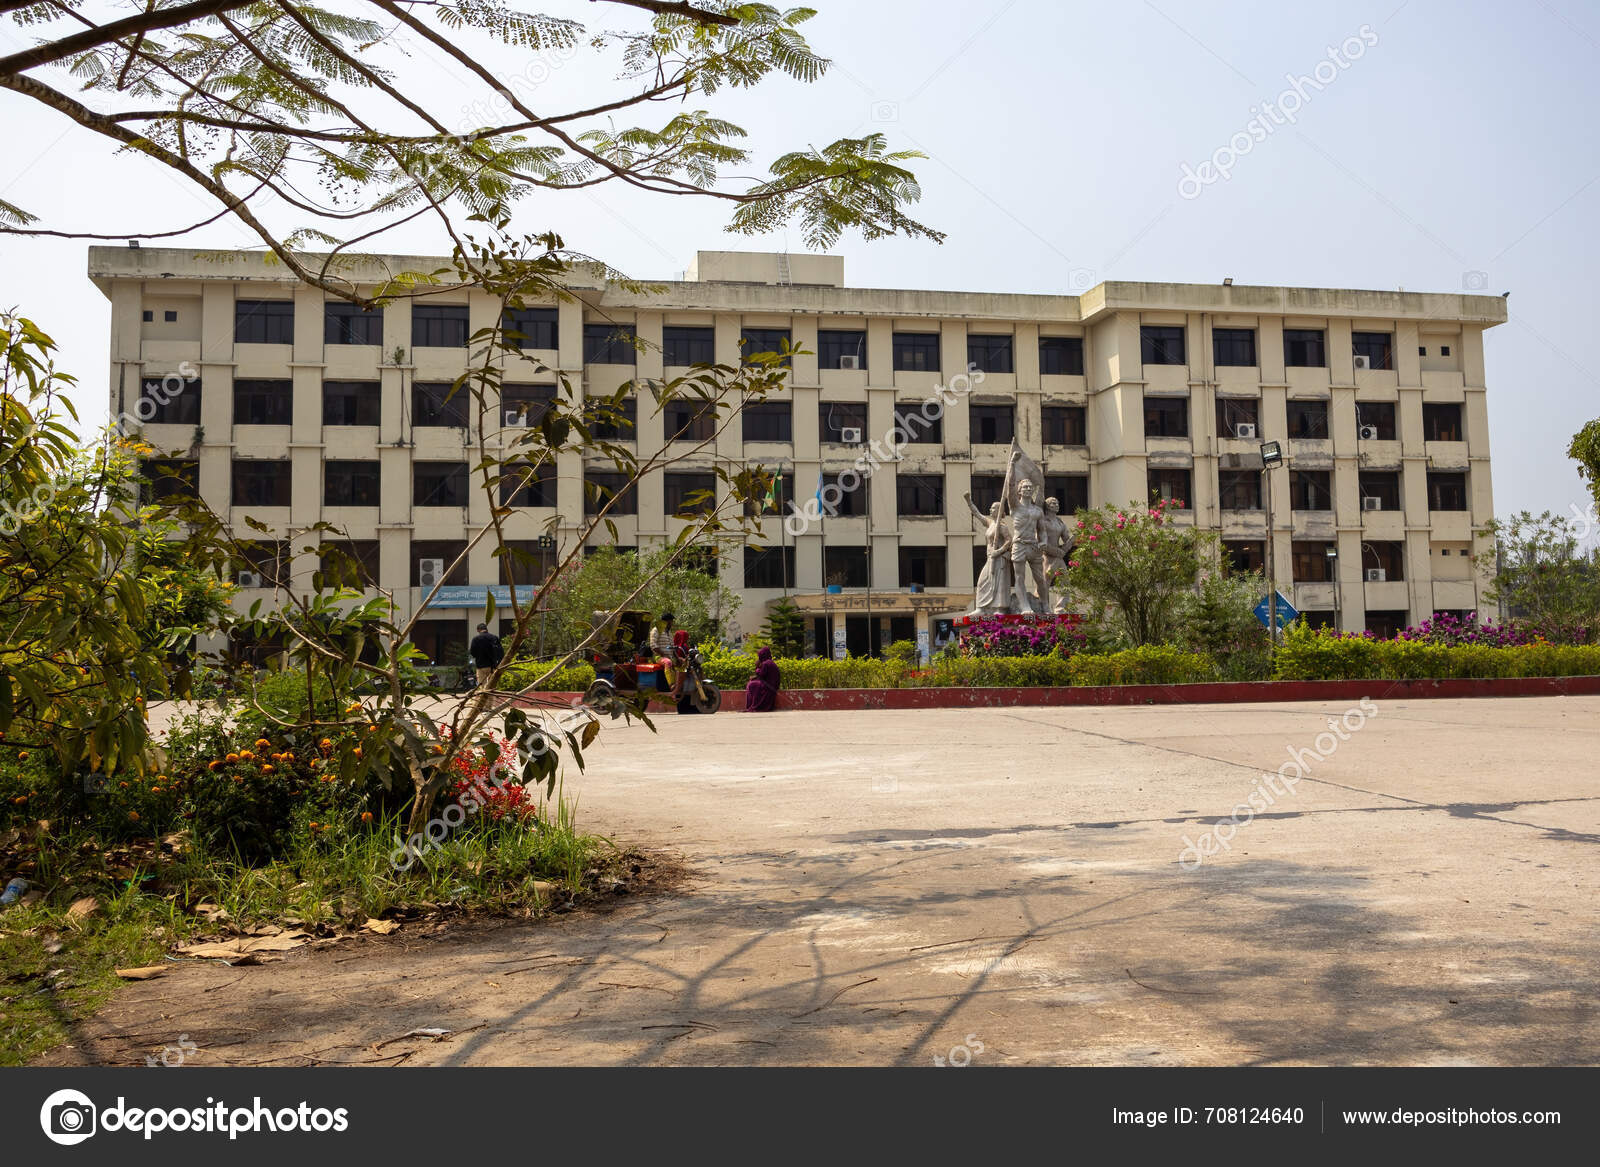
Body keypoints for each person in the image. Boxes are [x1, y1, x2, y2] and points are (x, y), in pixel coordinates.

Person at [744, 645, 780, 712]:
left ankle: (753, 705)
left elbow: (760, 674)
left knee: (751, 685)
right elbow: (763, 675)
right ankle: (752, 705)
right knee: (752, 682)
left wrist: (757, 667)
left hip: (769, 687)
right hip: (772, 686)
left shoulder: (766, 663)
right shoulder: (770, 662)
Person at [468, 622, 504, 689]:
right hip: (493, 666)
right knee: (492, 686)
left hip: (481, 665)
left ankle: (483, 699)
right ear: (486, 629)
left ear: (478, 630)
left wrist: (478, 656)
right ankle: (491, 699)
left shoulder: (476, 639)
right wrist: (498, 663)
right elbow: (501, 652)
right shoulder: (494, 637)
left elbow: (472, 652)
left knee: (482, 686)